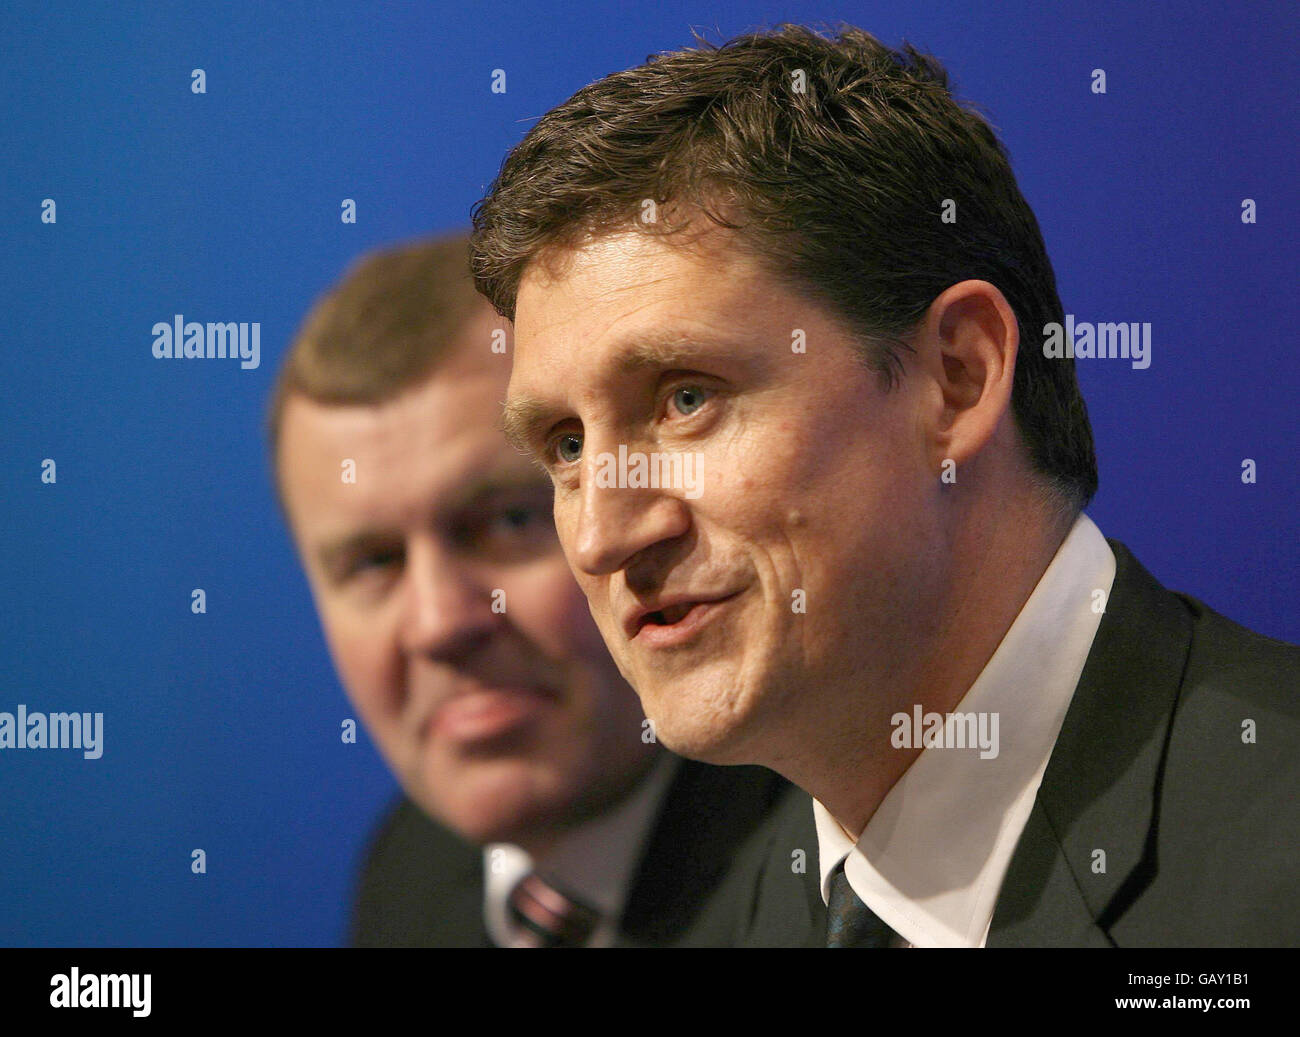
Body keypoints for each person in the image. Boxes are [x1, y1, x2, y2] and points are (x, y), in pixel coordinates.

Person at [467, 25, 1300, 946]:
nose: (601, 536)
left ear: (958, 376)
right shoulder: (738, 923)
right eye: (568, 445)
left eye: (685, 398)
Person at [269, 233, 815, 947]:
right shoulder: (411, 874)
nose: (440, 623)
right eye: (373, 564)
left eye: (509, 520)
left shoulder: (832, 876)